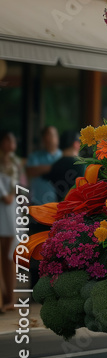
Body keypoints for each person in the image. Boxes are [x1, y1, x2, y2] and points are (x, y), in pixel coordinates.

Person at [0, 130, 25, 312]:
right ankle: (6, 296)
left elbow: (20, 184)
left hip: (12, 207)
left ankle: (10, 296)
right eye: (8, 140)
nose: (12, 144)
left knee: (11, 252)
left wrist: (13, 193)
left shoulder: (15, 162)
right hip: (4, 207)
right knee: (5, 251)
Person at [44, 130, 85, 202]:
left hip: (60, 207)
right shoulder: (80, 165)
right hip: (78, 208)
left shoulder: (55, 165)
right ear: (76, 144)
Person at [25, 125, 61, 206]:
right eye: (46, 135)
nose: (49, 138)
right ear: (43, 139)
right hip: (37, 203)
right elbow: (30, 171)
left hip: (59, 205)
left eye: (52, 135)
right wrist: (56, 168)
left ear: (57, 138)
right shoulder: (34, 156)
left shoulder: (63, 156)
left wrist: (43, 169)